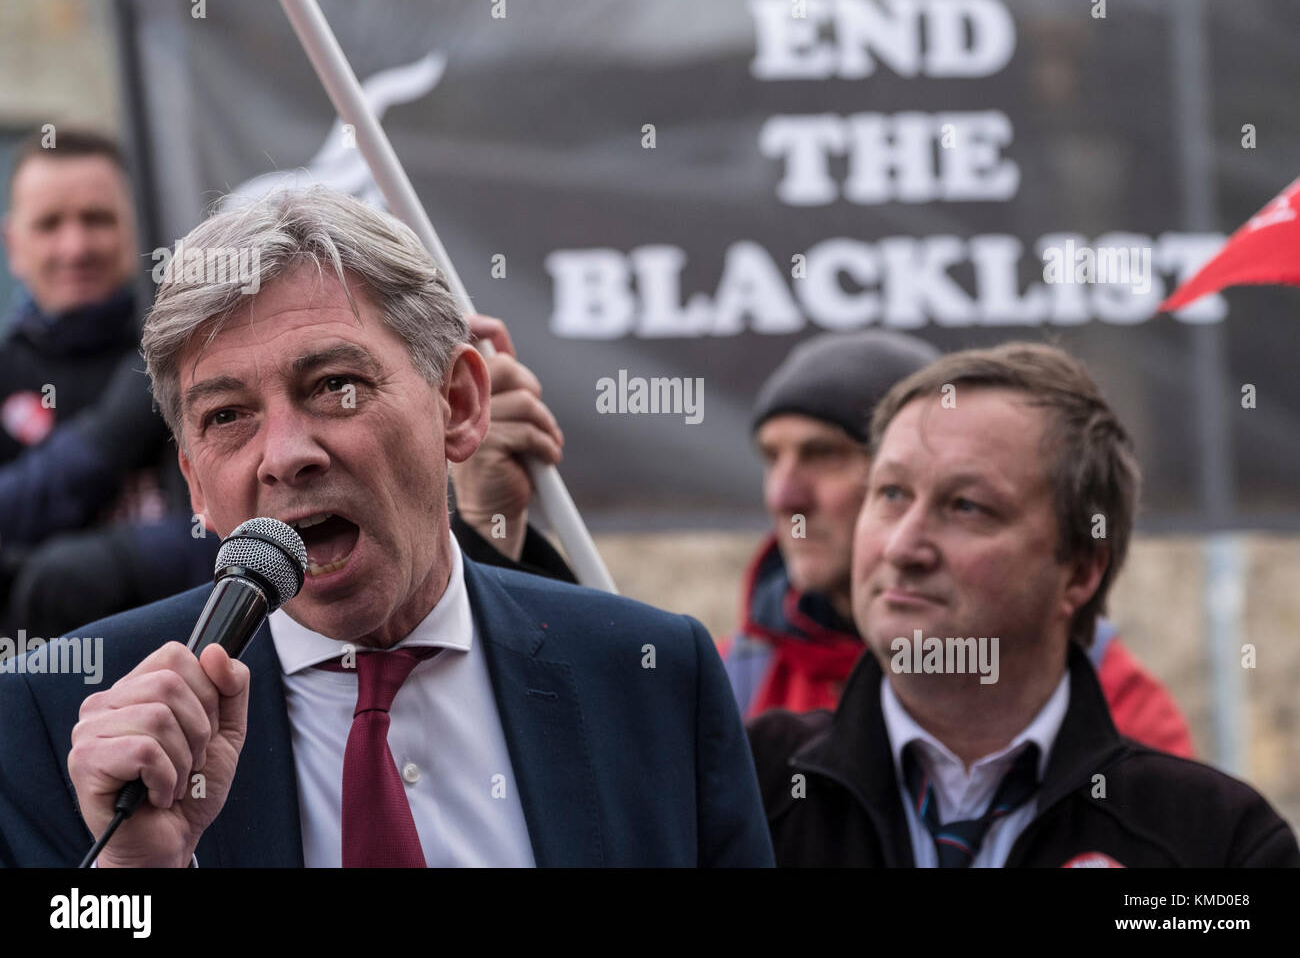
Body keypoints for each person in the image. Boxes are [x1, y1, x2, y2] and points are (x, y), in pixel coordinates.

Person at [0, 186, 773, 868]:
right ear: (195, 480)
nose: (286, 455)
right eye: (228, 416)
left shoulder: (655, 678)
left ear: (459, 403)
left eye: (336, 385)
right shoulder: (66, 717)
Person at [747, 342, 1299, 867]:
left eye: (966, 506)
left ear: (1080, 572)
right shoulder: (738, 787)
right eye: (891, 493)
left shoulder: (1217, 843)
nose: (901, 546)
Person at [725, 330, 1197, 759]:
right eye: (771, 458)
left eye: (823, 453)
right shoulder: (733, 688)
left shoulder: (1112, 701)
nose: (784, 496)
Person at [0, 128, 218, 632]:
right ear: (13, 244)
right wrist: (107, 436)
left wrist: (104, 564)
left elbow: (230, 530)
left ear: (134, 226)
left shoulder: (198, 350)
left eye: (97, 219)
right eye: (50, 224)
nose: (75, 246)